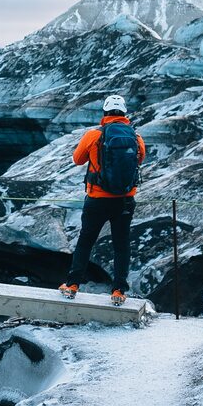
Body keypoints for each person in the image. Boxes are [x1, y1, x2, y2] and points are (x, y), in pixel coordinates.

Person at [58, 94, 145, 306]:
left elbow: (77, 159)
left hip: (97, 198)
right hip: (124, 200)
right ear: (124, 113)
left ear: (105, 113)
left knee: (86, 241)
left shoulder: (93, 135)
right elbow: (139, 159)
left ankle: (72, 286)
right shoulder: (135, 137)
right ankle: (118, 291)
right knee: (121, 245)